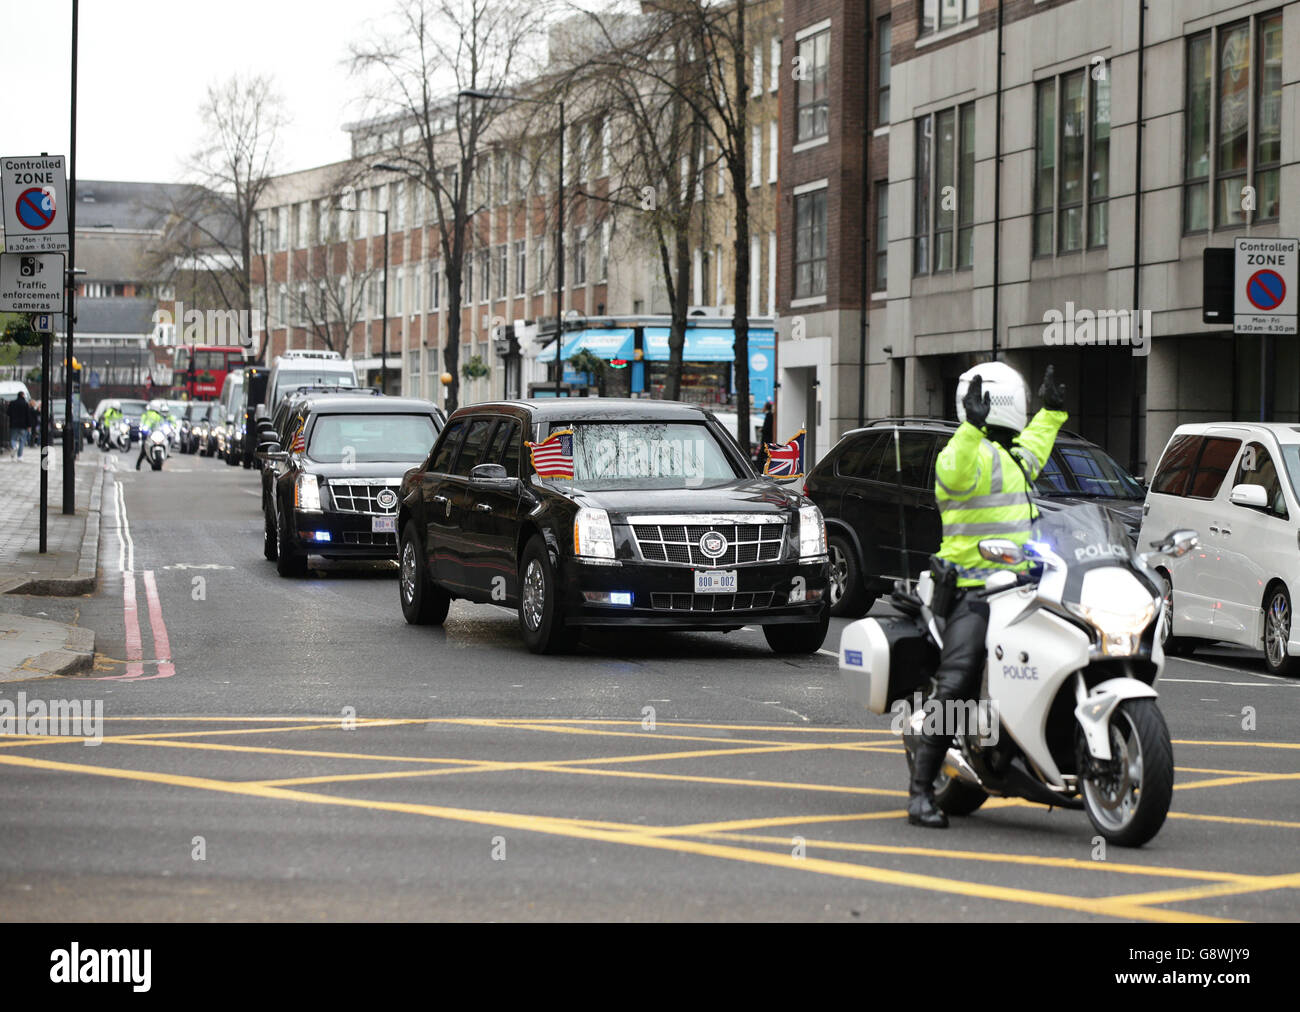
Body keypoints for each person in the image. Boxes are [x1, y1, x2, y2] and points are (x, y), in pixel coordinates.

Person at [907, 362, 1068, 828]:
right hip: (970, 590)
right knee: (957, 680)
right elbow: (954, 475)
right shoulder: (962, 455)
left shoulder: (1012, 458)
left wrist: (1052, 413)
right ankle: (920, 791)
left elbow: (1035, 449)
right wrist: (970, 430)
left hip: (1019, 587)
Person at [136, 399, 167, 470]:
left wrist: (165, 429)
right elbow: (144, 423)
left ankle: (138, 465)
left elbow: (162, 423)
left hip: (157, 433)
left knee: (165, 442)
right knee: (144, 449)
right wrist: (144, 429)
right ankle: (138, 464)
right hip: (149, 434)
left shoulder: (157, 415)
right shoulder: (148, 414)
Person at [7, 391, 31, 459]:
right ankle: (20, 456)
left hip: (14, 424)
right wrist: (29, 425)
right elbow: (28, 416)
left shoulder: (12, 403)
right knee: (22, 440)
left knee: (13, 439)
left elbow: (8, 413)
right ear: (23, 395)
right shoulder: (25, 404)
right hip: (23, 425)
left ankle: (14, 446)